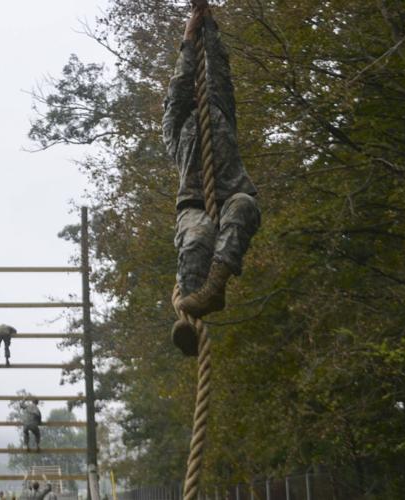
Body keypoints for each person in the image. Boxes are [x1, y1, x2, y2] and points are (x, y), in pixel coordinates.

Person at [162, 0, 261, 356]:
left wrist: (208, 26)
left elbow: (219, 71)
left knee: (244, 207)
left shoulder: (221, 109)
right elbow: (179, 88)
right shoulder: (176, 128)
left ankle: (214, 287)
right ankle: (187, 321)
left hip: (231, 194)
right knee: (196, 237)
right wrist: (188, 40)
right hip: (194, 204)